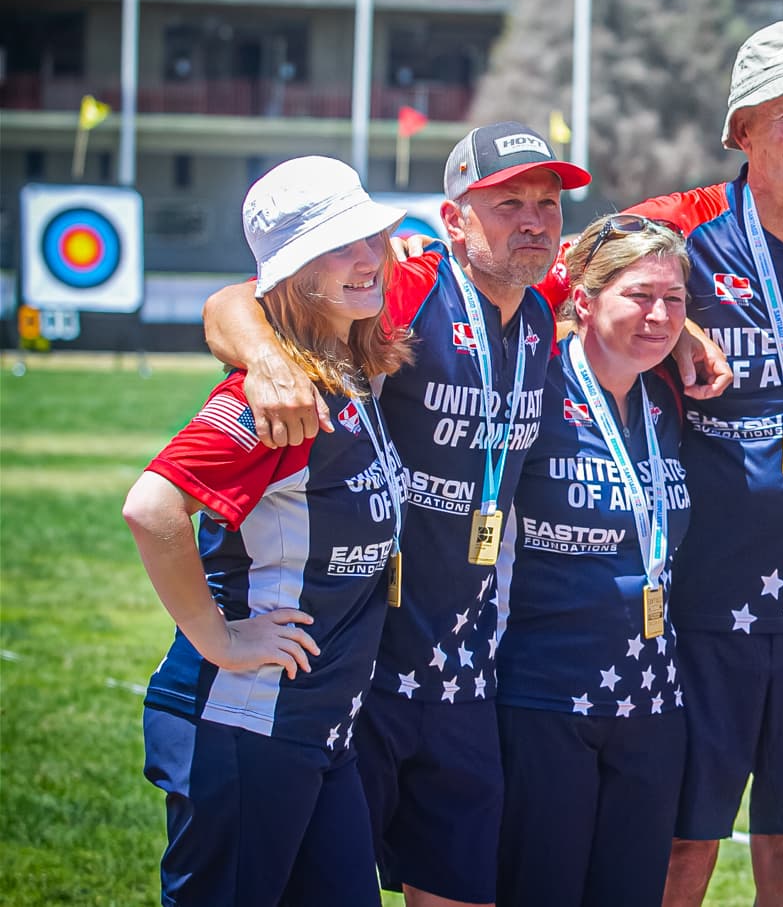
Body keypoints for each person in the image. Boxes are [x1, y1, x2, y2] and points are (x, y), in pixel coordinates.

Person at [202, 122, 588, 907]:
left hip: (463, 673)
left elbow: (629, 271)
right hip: (366, 669)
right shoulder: (411, 288)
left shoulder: (542, 310)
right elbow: (232, 301)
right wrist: (270, 359)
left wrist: (681, 332)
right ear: (453, 221)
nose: (534, 221)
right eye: (507, 201)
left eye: (547, 204)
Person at [604, 21, 783, 907]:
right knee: (680, 846)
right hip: (698, 597)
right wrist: (681, 317)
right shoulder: (681, 228)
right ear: (741, 130)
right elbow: (570, 272)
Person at [123, 156, 412, 906]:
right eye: (337, 246)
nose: (367, 257)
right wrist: (220, 638)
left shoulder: (349, 354)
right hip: (244, 724)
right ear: (292, 275)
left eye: (369, 236)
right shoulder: (276, 397)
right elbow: (151, 507)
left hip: (320, 725)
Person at [495, 213, 694, 906]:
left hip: (651, 701)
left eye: (674, 300)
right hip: (545, 696)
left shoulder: (666, 401)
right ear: (583, 301)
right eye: (639, 295)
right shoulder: (534, 390)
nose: (659, 315)